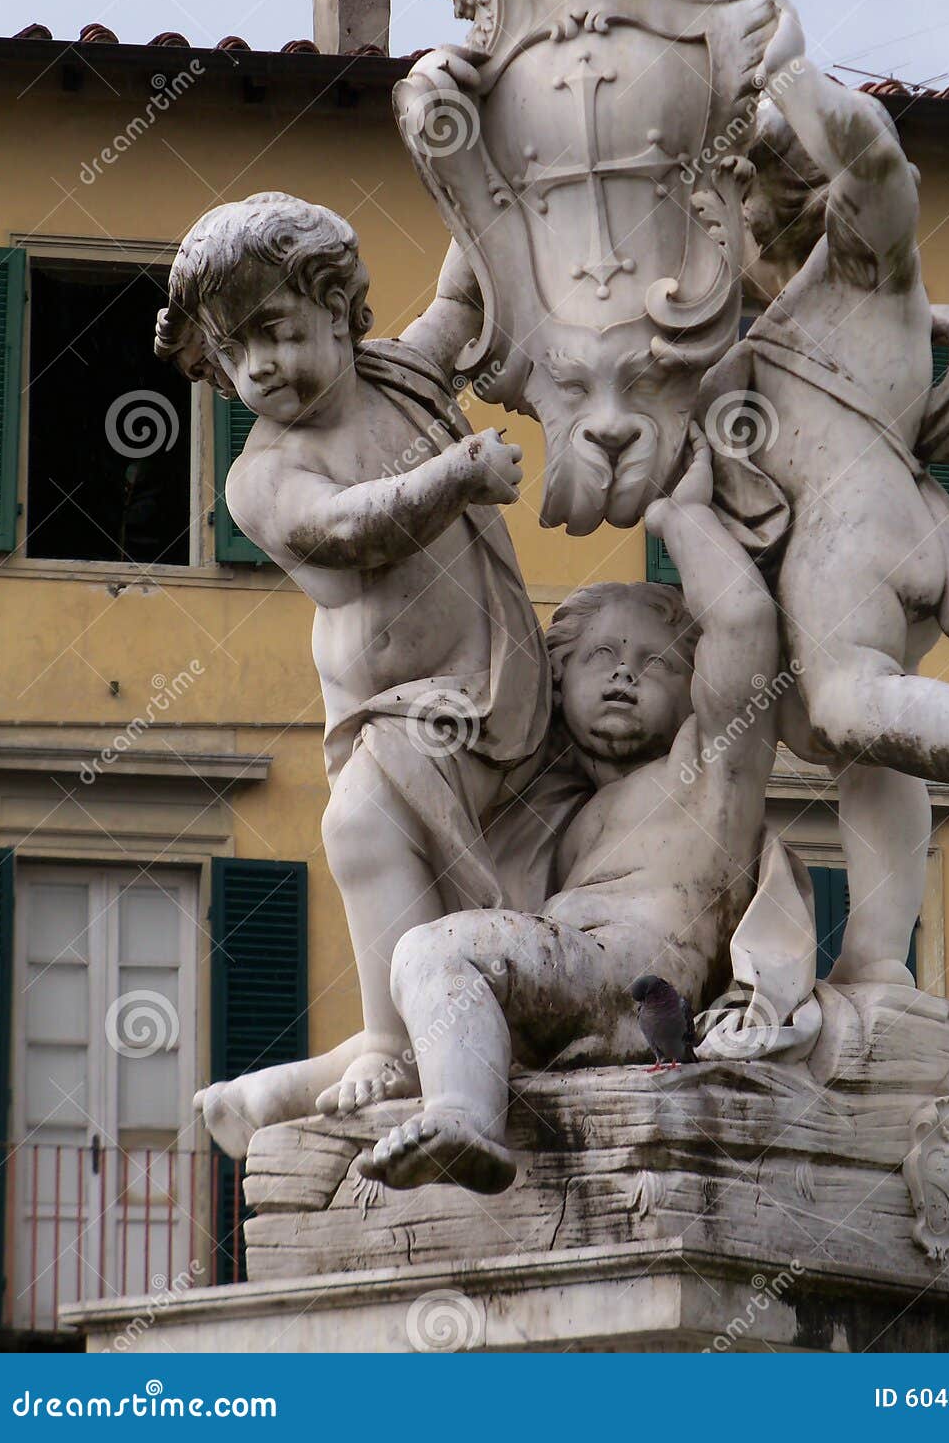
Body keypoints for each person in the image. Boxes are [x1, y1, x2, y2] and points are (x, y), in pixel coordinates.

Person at [154, 195, 549, 1154]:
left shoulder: (407, 377)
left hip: (504, 691)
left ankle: (276, 1093)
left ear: (339, 308)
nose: (258, 369)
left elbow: (464, 292)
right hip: (396, 718)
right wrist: (454, 474)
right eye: (231, 354)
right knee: (361, 824)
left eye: (276, 334)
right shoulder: (261, 476)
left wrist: (492, 168)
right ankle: (385, 1038)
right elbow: (349, 527)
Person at [705, 0, 949, 905]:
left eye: (745, 209)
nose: (740, 236)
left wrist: (792, 80)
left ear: (781, 196)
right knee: (866, 737)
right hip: (891, 537)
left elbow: (875, 158)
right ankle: (880, 961)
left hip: (857, 528)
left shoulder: (863, 269)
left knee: (846, 701)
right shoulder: (777, 328)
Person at [358, 428, 784, 1194]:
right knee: (429, 965)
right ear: (557, 683)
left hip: (634, 982)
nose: (625, 676)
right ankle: (402, 1096)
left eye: (655, 663)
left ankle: (463, 1118)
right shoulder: (557, 808)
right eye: (601, 658)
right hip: (561, 988)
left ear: (696, 689)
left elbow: (748, 626)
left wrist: (679, 514)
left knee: (434, 951)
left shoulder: (711, 767)